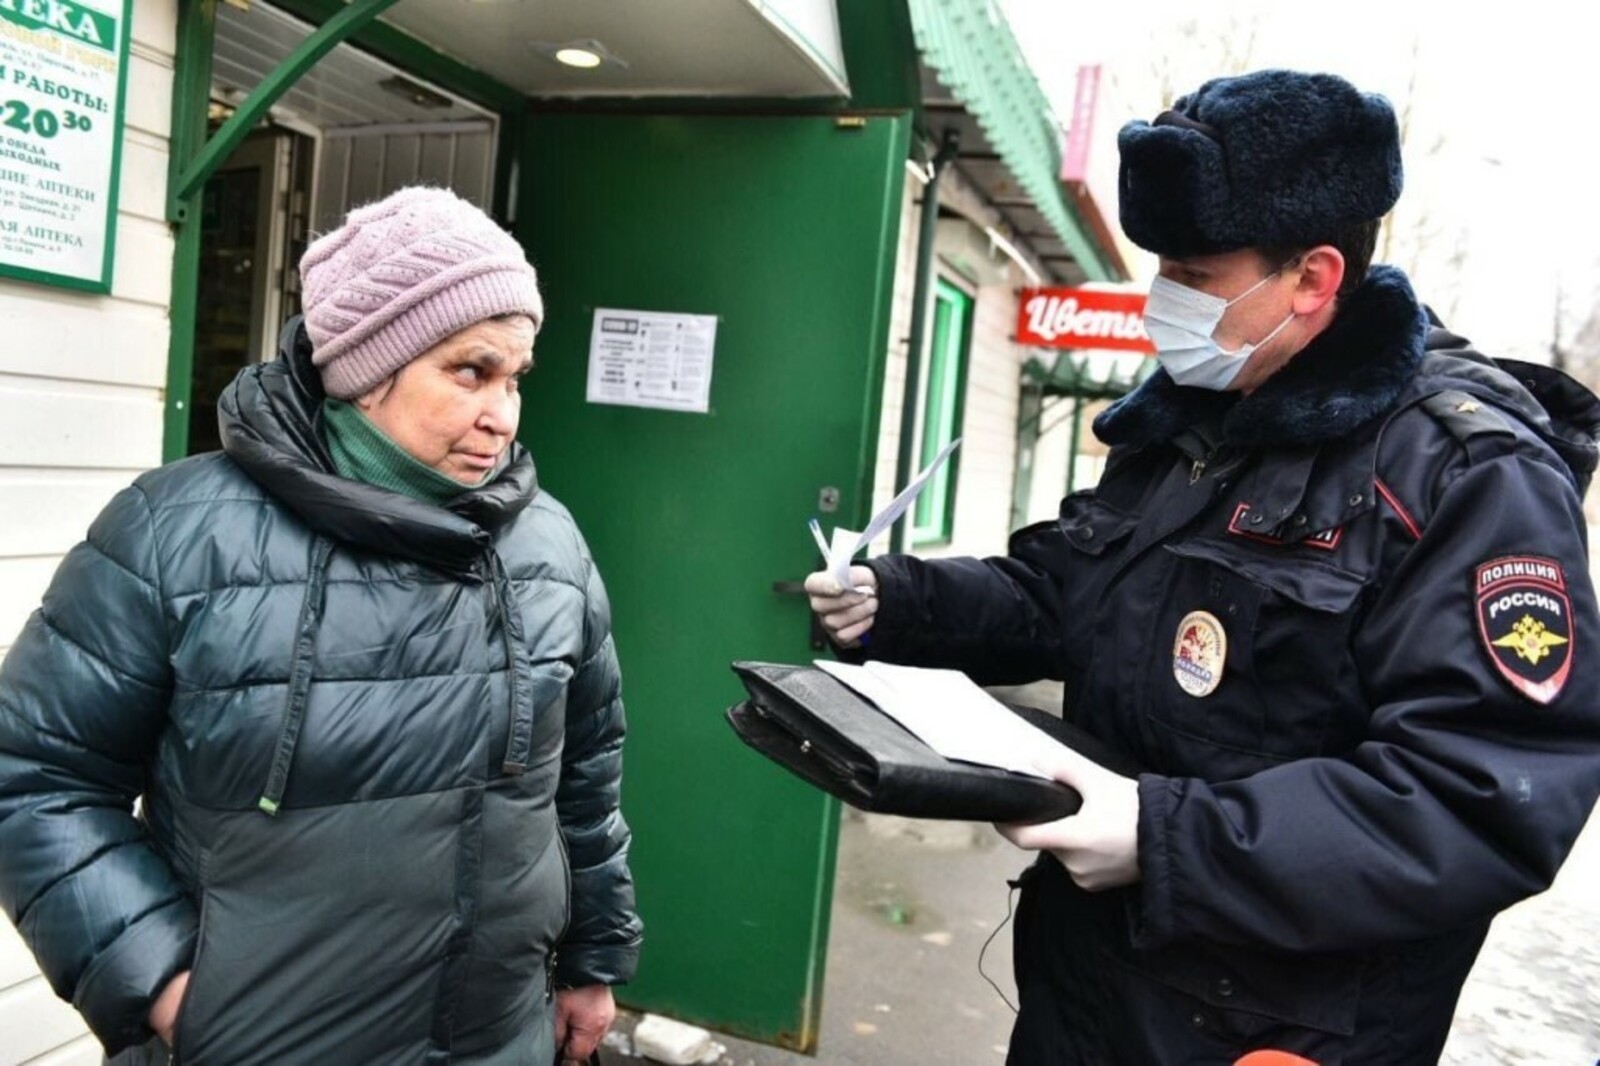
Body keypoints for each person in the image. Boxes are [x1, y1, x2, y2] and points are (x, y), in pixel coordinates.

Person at [808, 69, 1600, 1063]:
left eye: (1195, 273)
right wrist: (895, 599)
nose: (1161, 301)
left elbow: (1478, 798)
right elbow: (1066, 589)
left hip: (1273, 1027)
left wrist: (1163, 835)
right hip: (1089, 993)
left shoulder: (1462, 473)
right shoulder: (1189, 422)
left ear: (1311, 280)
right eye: (1161, 268)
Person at [0, 186, 641, 1065]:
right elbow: (35, 777)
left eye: (514, 378)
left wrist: (592, 962)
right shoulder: (173, 534)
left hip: (498, 1042)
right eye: (470, 371)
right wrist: (168, 987)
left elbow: (585, 783)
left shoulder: (547, 545)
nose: (504, 414)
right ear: (365, 368)